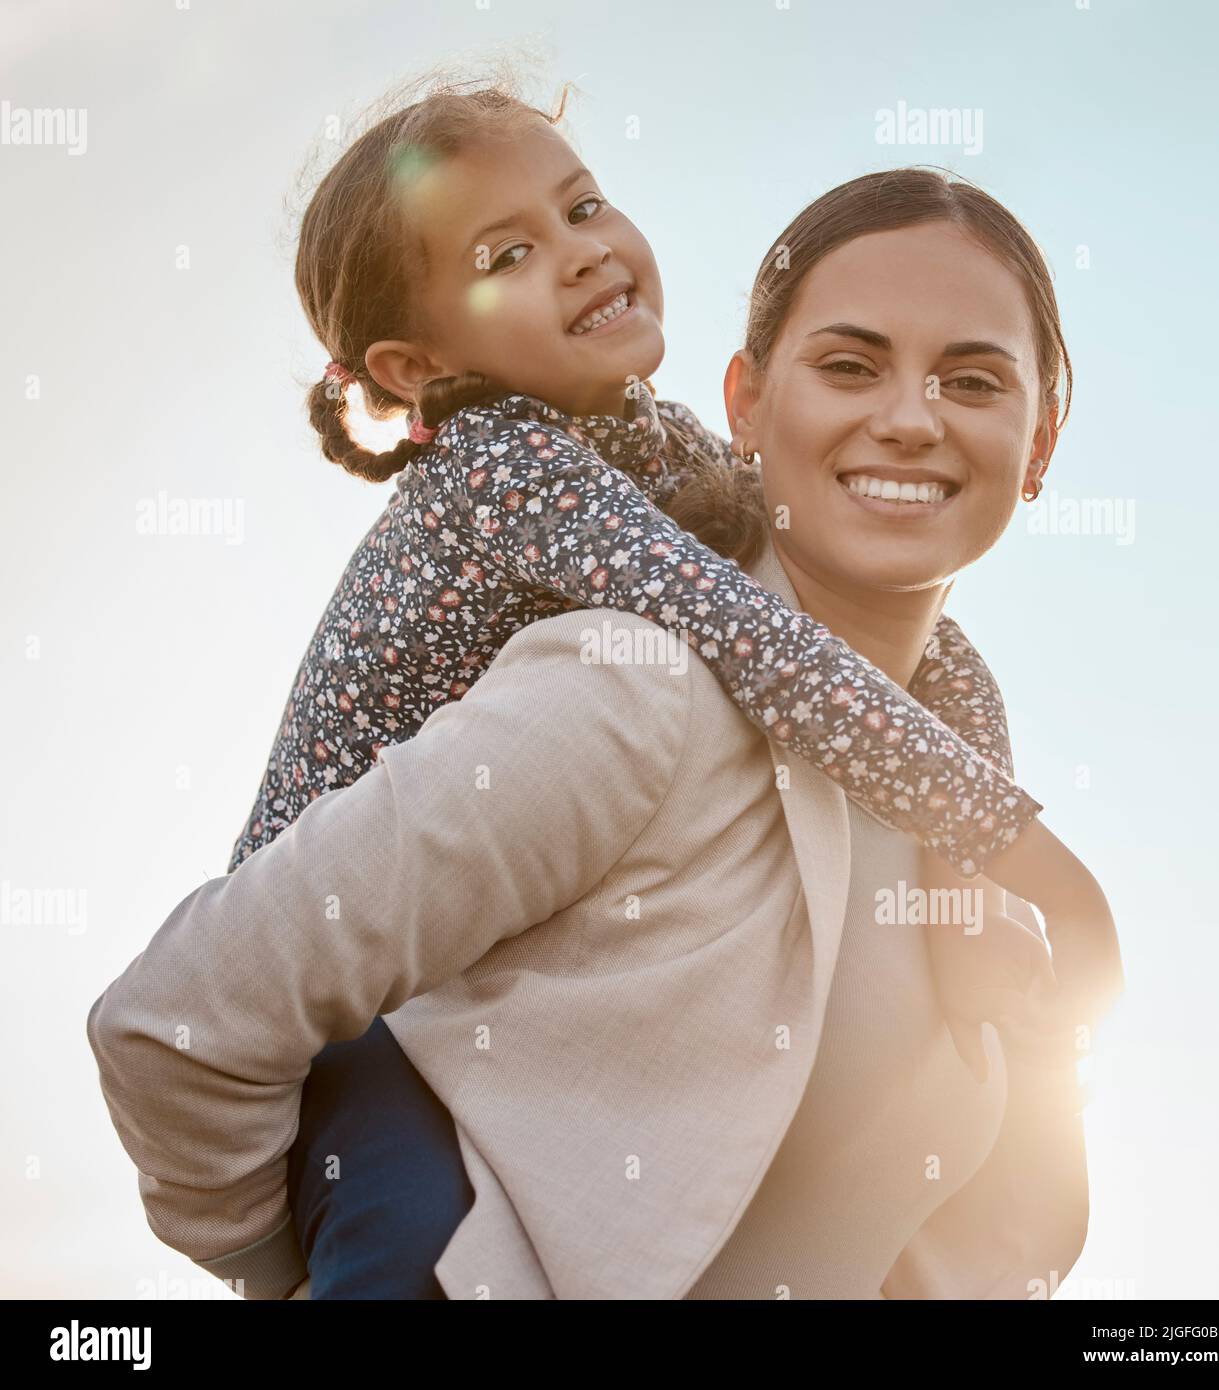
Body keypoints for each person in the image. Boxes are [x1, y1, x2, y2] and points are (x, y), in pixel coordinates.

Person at [87, 164, 1121, 1301]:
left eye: (972, 381)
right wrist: (285, 1270)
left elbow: (979, 1244)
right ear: (744, 405)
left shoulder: (955, 815)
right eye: (847, 364)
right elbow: (176, 1019)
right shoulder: (635, 692)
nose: (908, 418)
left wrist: (990, 877)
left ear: (1037, 451)